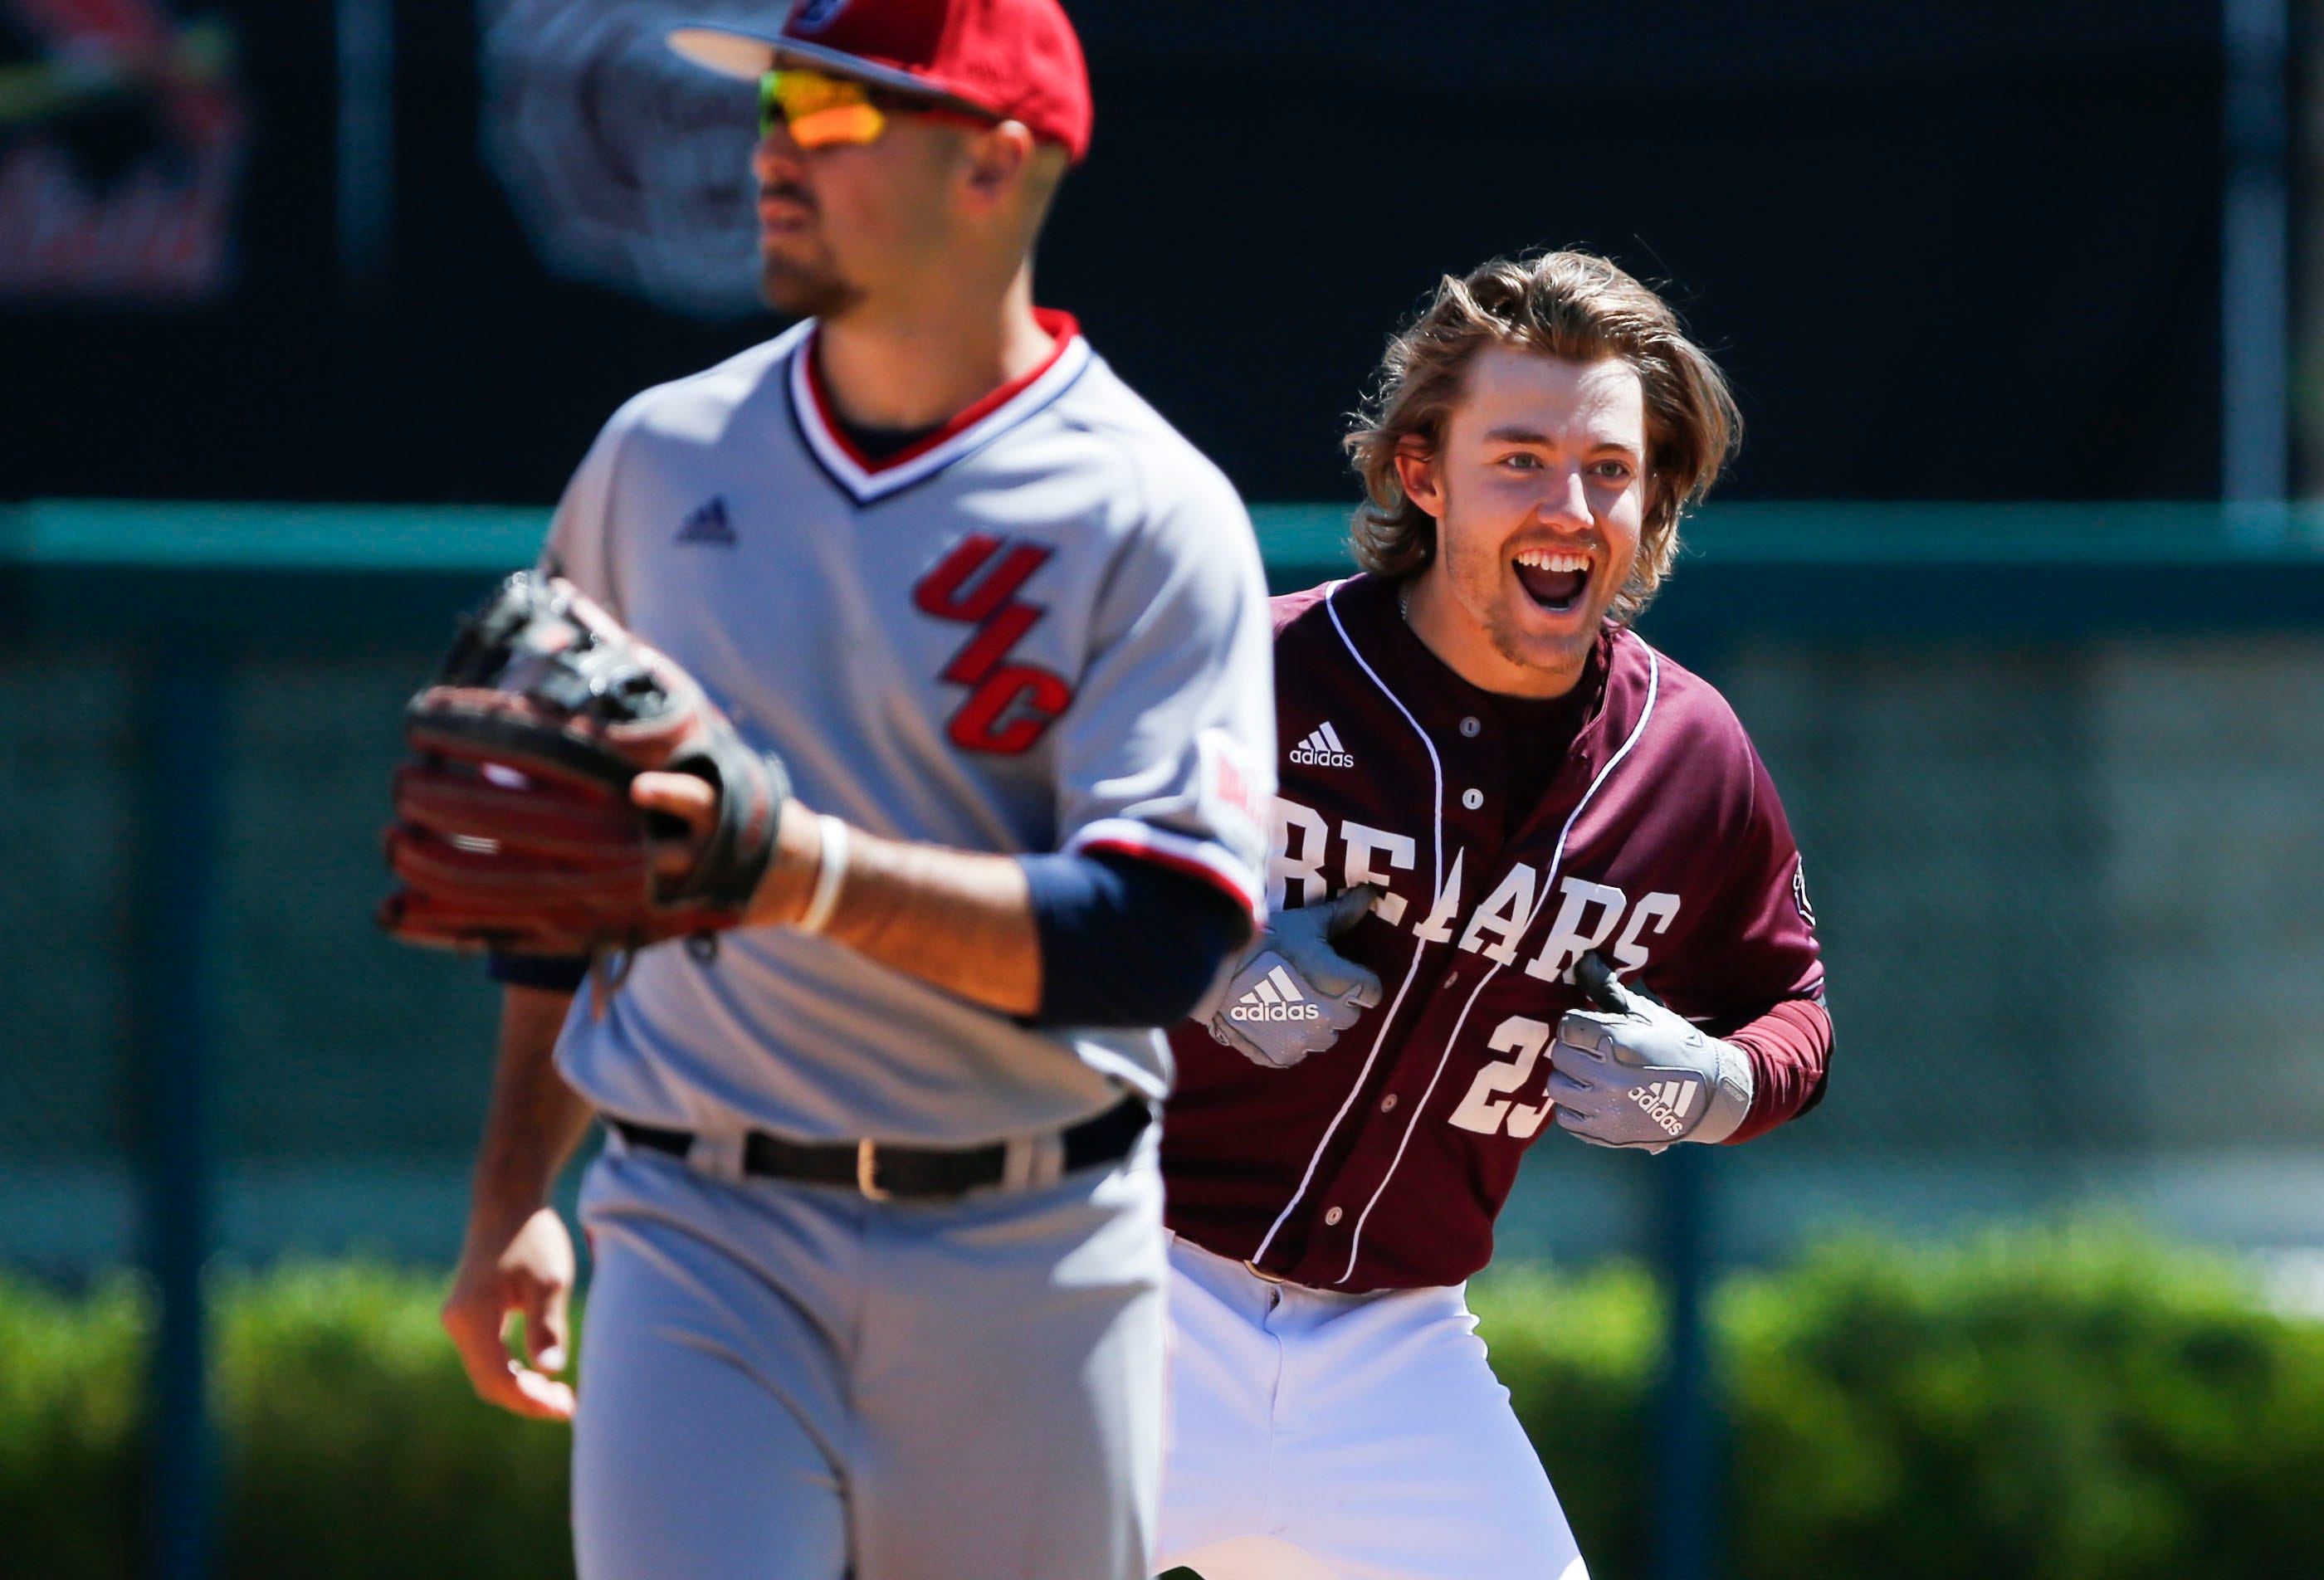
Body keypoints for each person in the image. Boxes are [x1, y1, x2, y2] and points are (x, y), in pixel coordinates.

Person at [431, 3, 1276, 1578]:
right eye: (773, 105)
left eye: (831, 111)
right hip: (703, 1232)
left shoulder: (1149, 509)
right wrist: (509, 1201)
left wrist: (799, 872)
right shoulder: (658, 457)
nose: (771, 149)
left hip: (1032, 1257)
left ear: (994, 164)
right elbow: (560, 882)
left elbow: (1161, 933)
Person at [1152, 251, 1833, 1580]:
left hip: (1399, 1356)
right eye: (1518, 458)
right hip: (1132, 1285)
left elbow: (1792, 1012)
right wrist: (1202, 964)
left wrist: (1718, 1082)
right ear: (1423, 473)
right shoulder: (1257, 677)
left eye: (1612, 470)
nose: (1570, 506)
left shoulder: (1690, 755)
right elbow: (1034, 899)